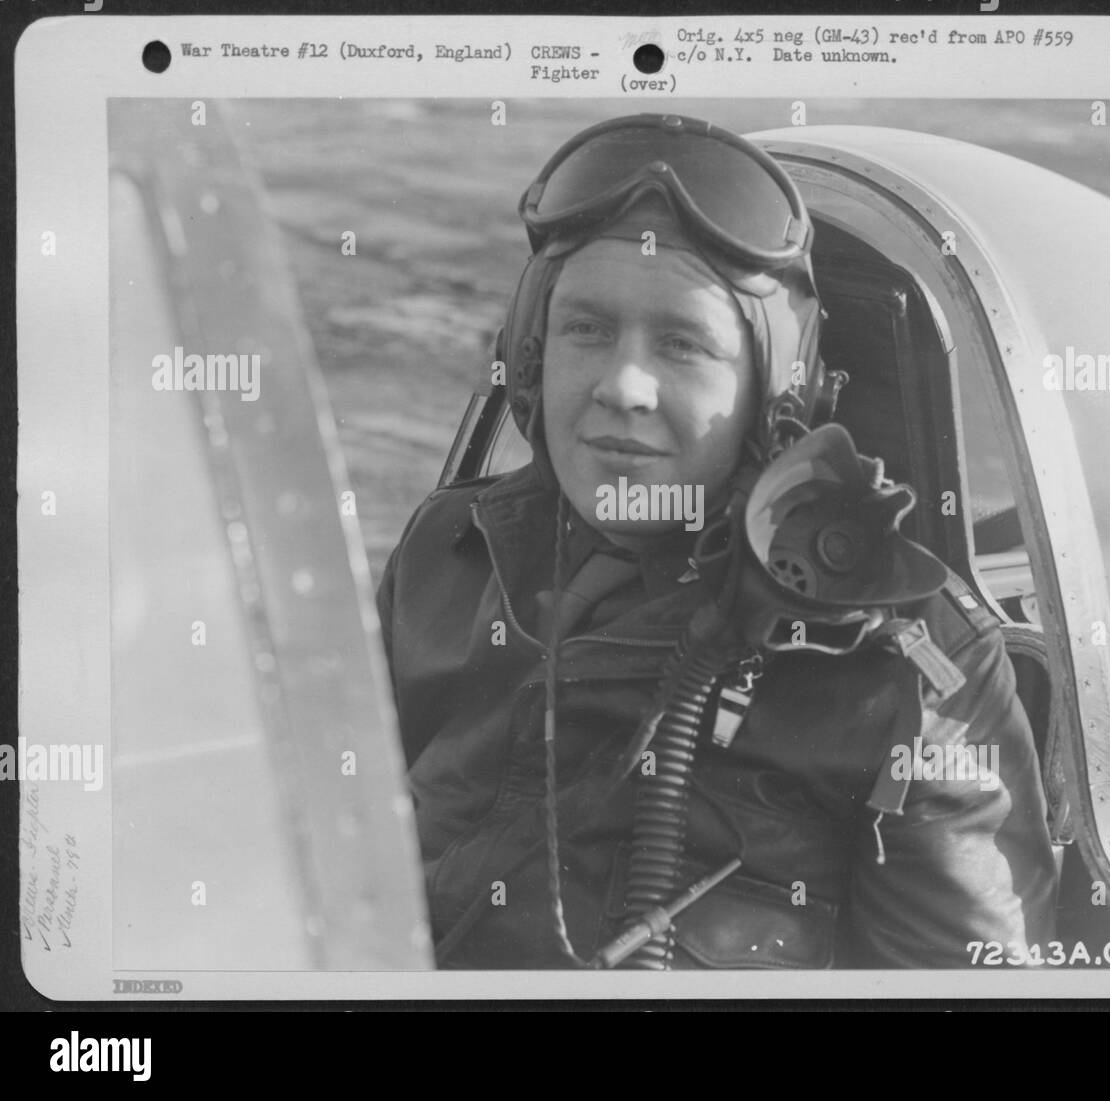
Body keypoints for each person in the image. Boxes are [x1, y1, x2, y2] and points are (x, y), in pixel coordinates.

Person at [377, 114, 1057, 969]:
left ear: (775, 394)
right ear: (532, 353)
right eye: (587, 328)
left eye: (682, 343)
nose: (623, 385)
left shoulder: (913, 670)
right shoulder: (451, 551)